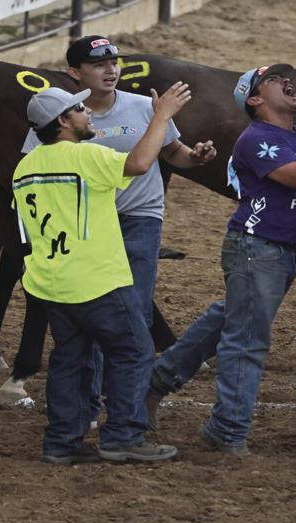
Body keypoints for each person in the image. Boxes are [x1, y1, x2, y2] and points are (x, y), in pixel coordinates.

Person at [141, 64, 296, 458]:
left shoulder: (295, 135)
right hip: (259, 248)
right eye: (275, 81)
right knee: (246, 340)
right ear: (255, 100)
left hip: (273, 251)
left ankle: (154, 384)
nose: (288, 82)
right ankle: (227, 430)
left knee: (228, 321)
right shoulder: (258, 139)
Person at [19, 36, 218, 422]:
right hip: (89, 225)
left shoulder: (144, 106)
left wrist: (195, 157)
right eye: (98, 64)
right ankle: (97, 405)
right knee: (97, 314)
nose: (111, 70)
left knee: (135, 311)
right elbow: (42, 161)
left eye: (114, 62)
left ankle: (125, 400)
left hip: (140, 217)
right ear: (75, 73)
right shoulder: (63, 116)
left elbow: (172, 153)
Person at [13, 82, 192, 464]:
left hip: (51, 283)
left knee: (69, 359)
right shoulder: (86, 156)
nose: (88, 112)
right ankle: (123, 436)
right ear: (62, 121)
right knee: (134, 351)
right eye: (79, 109)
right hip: (98, 279)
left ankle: (63, 442)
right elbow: (140, 164)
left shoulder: (24, 167)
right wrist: (161, 116)